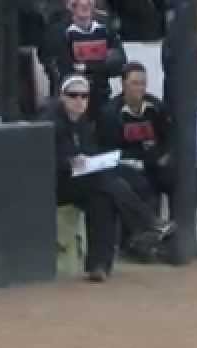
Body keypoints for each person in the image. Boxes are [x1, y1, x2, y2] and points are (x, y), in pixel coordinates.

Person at [45, 75, 176, 280]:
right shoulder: (51, 122)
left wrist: (87, 160)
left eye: (84, 96)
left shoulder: (83, 123)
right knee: (103, 182)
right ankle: (147, 222)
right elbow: (46, 160)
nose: (79, 100)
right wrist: (70, 161)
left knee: (103, 196)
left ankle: (99, 266)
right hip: (54, 184)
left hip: (80, 181)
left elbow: (89, 151)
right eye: (73, 95)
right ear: (62, 97)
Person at [98, 63, 175, 217]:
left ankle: (178, 227)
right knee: (144, 188)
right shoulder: (110, 113)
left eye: (143, 83)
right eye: (135, 83)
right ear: (123, 84)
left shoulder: (156, 107)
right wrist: (146, 158)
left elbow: (168, 138)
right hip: (129, 167)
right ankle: (150, 229)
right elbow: (110, 151)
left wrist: (165, 154)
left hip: (155, 163)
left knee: (179, 181)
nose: (140, 88)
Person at [40, 0, 126, 121]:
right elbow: (60, 66)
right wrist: (100, 61)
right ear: (68, 4)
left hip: (100, 95)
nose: (84, 3)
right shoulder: (57, 31)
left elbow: (119, 62)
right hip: (69, 97)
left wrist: (88, 67)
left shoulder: (105, 26)